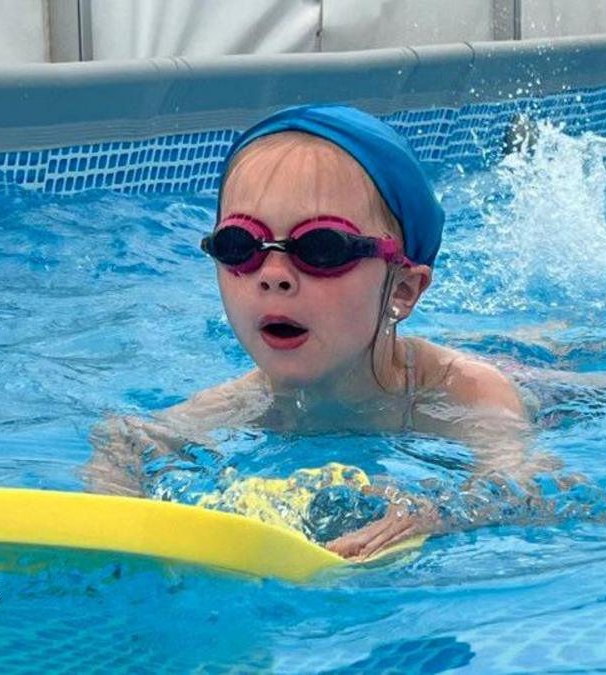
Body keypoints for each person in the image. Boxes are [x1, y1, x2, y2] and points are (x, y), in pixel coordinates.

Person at [84, 104, 565, 561]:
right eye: (240, 245)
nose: (273, 274)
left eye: (322, 247)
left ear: (402, 289)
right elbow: (126, 440)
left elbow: (532, 486)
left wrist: (442, 514)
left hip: (536, 386)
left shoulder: (468, 394)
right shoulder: (240, 404)